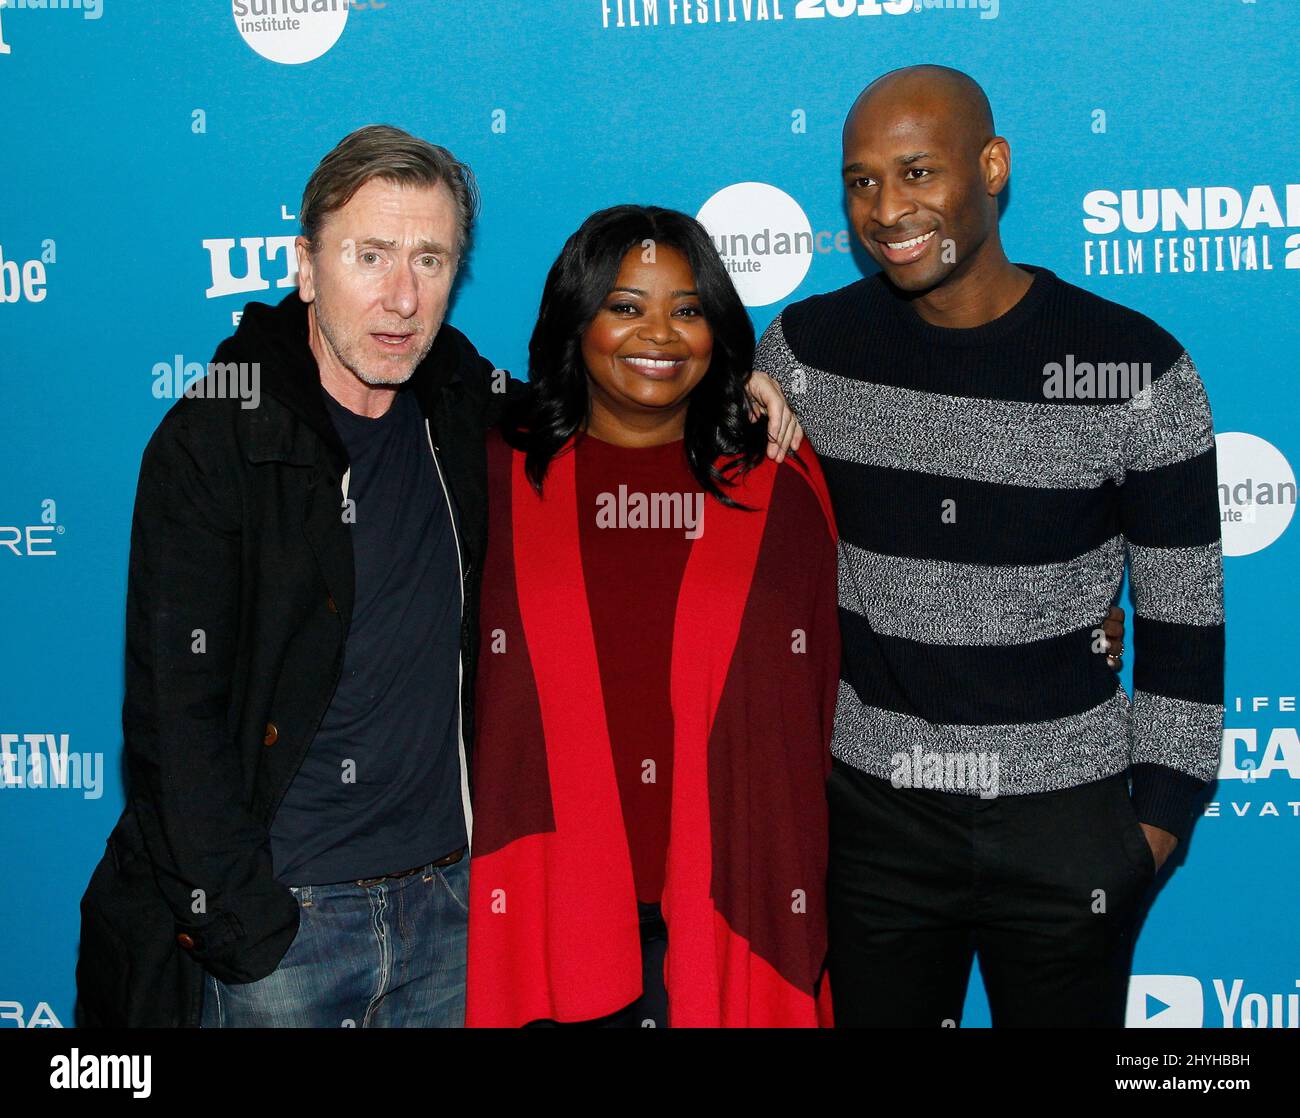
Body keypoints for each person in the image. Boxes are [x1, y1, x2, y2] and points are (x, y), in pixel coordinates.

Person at [76, 126, 801, 1029]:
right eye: (370, 255)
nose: (401, 296)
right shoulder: (214, 441)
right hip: (288, 931)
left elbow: (608, 399)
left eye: (430, 259)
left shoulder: (465, 406)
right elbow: (170, 719)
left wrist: (744, 385)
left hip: (454, 916)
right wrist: (241, 927)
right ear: (307, 265)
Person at [755, 66, 1223, 1028]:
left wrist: (1152, 831)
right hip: (875, 825)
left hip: (1069, 826)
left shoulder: (1135, 367)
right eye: (862, 181)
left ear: (993, 166)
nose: (888, 209)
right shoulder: (806, 353)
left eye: (917, 171)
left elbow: (1184, 623)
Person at [465, 206, 839, 1028]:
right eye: (626, 306)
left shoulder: (779, 478)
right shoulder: (493, 469)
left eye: (688, 308)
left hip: (734, 902)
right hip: (547, 905)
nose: (660, 334)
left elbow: (823, 700)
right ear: (577, 317)